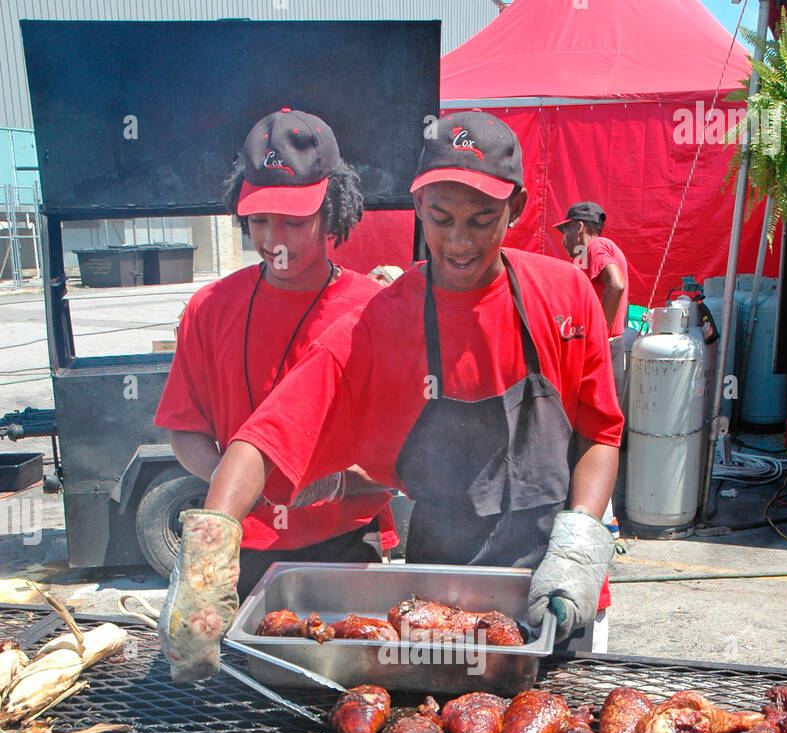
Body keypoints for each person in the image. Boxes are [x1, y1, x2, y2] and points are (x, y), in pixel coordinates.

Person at [161, 112, 623, 682]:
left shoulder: (566, 294)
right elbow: (262, 437)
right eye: (441, 218)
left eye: (483, 220)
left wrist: (579, 544)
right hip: (445, 591)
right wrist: (207, 559)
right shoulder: (382, 320)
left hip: (563, 577)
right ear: (418, 206)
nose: (459, 241)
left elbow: (600, 434)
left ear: (518, 208)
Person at [154, 108, 396, 600]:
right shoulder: (208, 308)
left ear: (333, 210)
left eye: (292, 221)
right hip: (244, 544)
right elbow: (186, 433)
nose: (271, 241)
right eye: (259, 220)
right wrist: (240, 487)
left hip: (347, 543)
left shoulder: (375, 311)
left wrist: (333, 483)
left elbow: (408, 450)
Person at [555, 201, 628, 404]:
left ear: (579, 228)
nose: (563, 241)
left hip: (603, 349)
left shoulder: (596, 245)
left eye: (565, 231)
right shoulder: (584, 256)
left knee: (598, 423)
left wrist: (598, 337)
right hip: (599, 348)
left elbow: (616, 285)